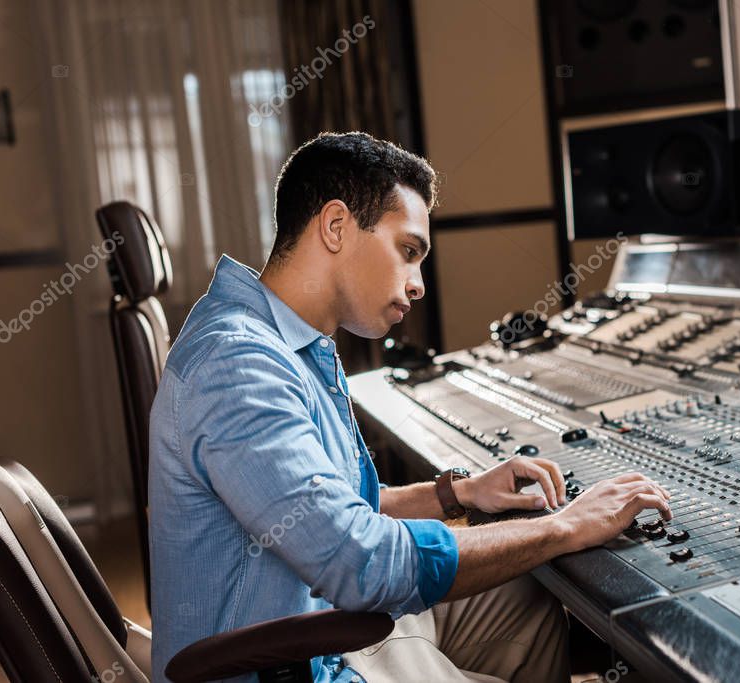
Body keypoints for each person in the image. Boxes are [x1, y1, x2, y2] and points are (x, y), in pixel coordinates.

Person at [148, 131, 672, 682]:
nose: (418, 284)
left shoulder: (286, 341)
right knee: (533, 558)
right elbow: (360, 562)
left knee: (520, 596)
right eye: (408, 251)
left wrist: (459, 493)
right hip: (291, 662)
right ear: (335, 227)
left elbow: (328, 507)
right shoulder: (236, 363)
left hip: (318, 624)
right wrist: (564, 528)